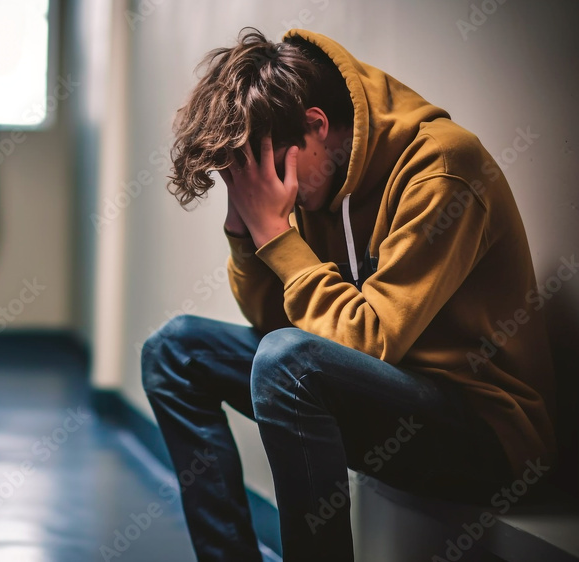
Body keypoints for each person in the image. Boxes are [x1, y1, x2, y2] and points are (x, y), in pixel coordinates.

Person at [141, 27, 558, 561]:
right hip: (388, 400)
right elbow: (278, 323)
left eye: (269, 166)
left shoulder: (442, 169)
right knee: (175, 350)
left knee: (287, 362)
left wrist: (277, 235)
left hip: (485, 434)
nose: (266, 188)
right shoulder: (319, 183)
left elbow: (367, 342)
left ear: (316, 126)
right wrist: (246, 234)